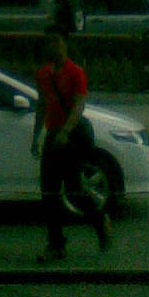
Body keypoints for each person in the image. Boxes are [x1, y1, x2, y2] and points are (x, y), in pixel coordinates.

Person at [31, 25, 112, 262]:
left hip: (71, 137)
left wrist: (65, 131)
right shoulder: (43, 74)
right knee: (48, 193)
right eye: (49, 42)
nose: (52, 46)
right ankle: (56, 244)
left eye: (57, 41)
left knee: (74, 190)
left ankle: (99, 220)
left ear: (65, 44)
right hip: (52, 136)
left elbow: (79, 106)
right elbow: (41, 106)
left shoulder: (75, 72)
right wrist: (37, 136)